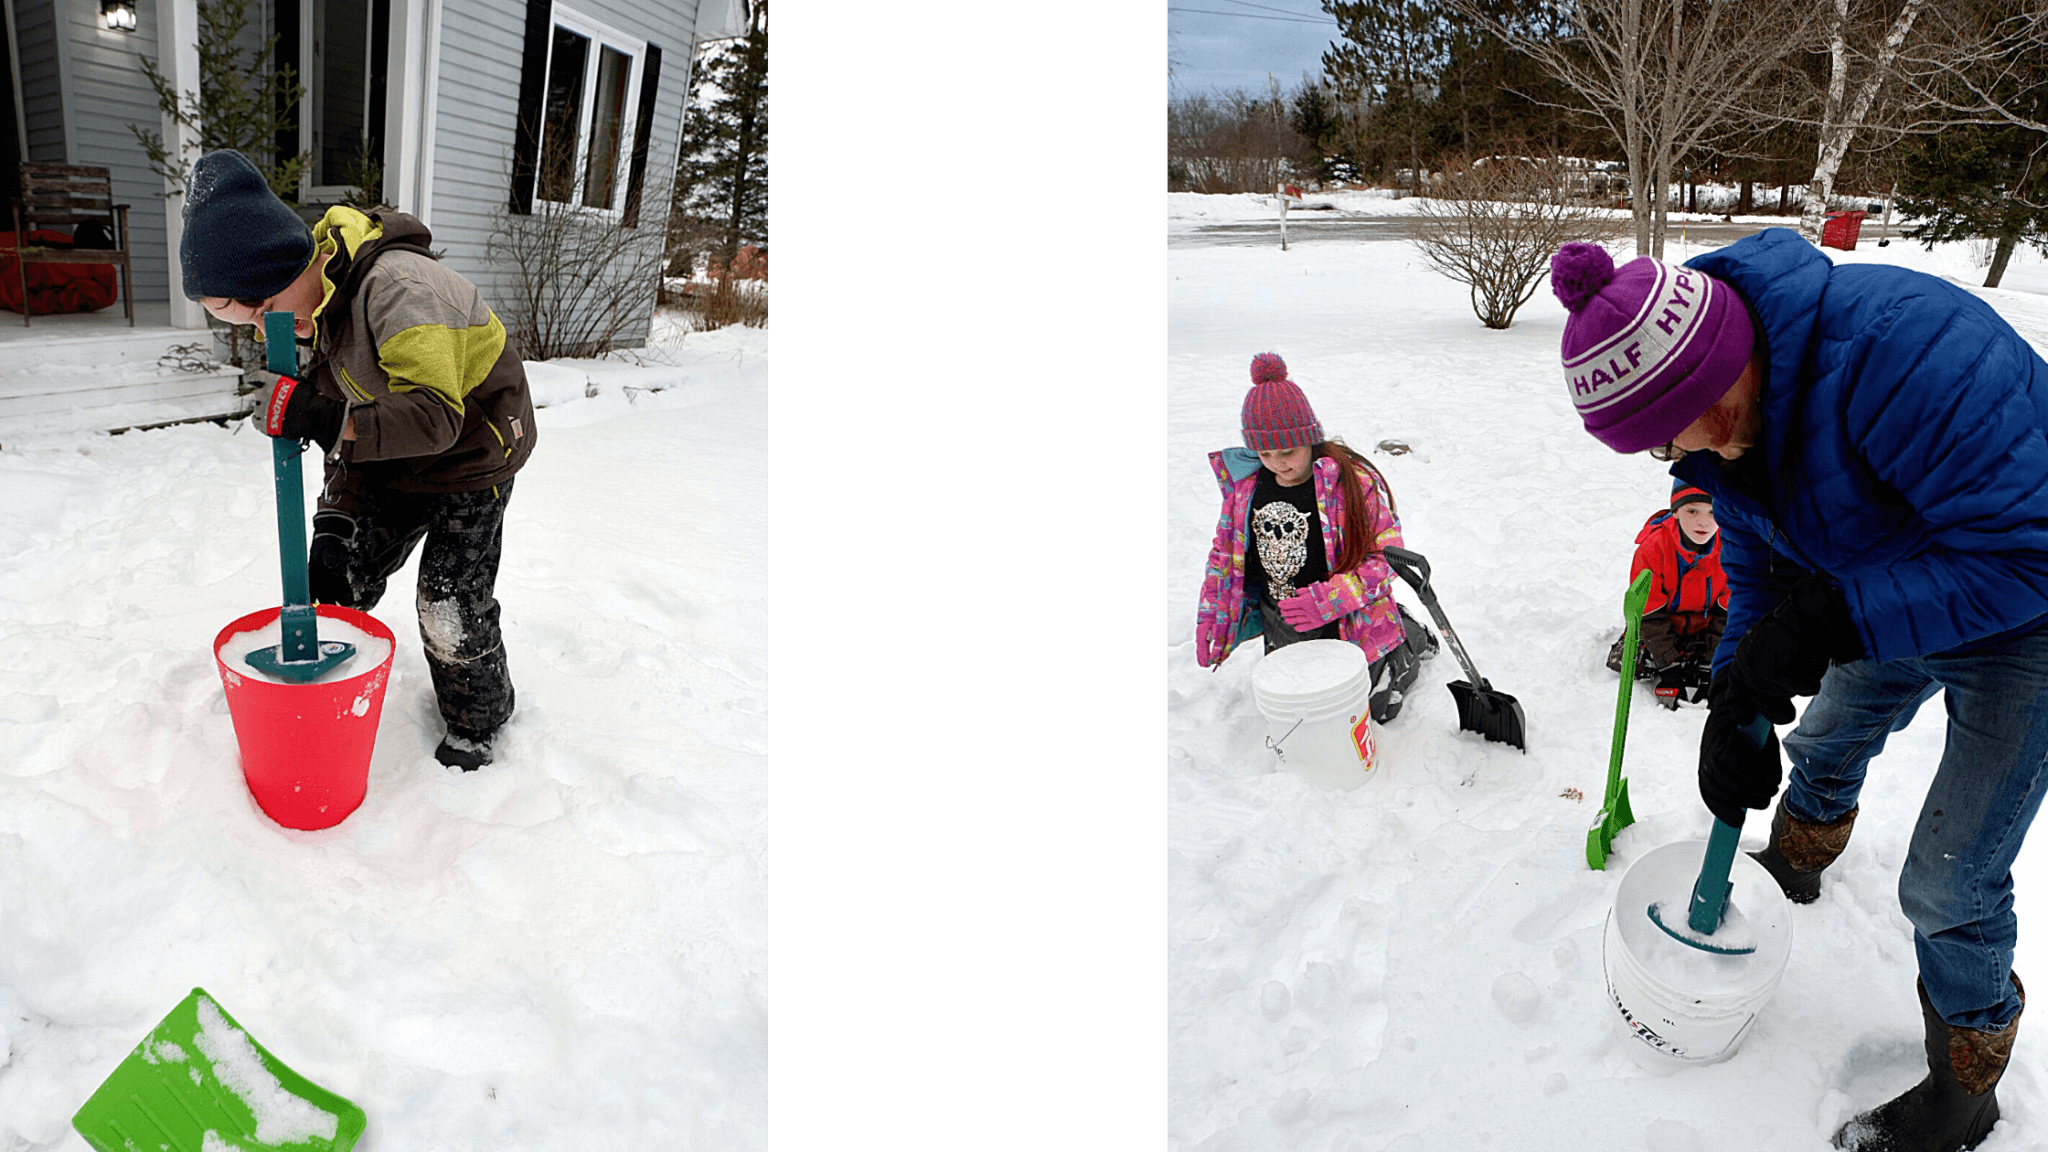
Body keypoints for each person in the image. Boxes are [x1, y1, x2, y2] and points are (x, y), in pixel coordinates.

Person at [1550, 230, 2047, 1152]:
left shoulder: (1904, 354)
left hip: (2028, 615)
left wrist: (1833, 621)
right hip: (1897, 582)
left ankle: (1964, 1090)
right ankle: (1797, 862)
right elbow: (1754, 562)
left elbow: (2029, 556)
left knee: (1951, 881)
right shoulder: (1726, 440)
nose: (1677, 454)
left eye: (1673, 430)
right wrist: (1737, 689)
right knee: (1822, 743)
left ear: (1713, 380)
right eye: (1658, 446)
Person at [181, 149, 536, 771]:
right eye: (248, 324)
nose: (264, 332)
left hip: (471, 454)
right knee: (338, 576)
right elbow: (344, 429)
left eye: (262, 312)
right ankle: (329, 688)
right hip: (391, 451)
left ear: (287, 268)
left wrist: (320, 417)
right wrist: (334, 520)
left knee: (448, 601)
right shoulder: (311, 310)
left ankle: (478, 719)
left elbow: (435, 419)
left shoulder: (399, 291)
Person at [1195, 352, 1435, 723]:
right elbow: (1224, 557)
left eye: (1288, 450)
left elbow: (1386, 557)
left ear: (1308, 438)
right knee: (1306, 710)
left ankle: (1407, 639)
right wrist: (1213, 615)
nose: (1277, 463)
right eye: (1265, 452)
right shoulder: (1246, 489)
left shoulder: (1349, 484)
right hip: (1283, 617)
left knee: (1373, 710)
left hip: (1349, 615)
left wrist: (1329, 600)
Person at [1604, 480, 1728, 709]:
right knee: (1627, 661)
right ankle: (1676, 659)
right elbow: (1649, 613)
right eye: (1692, 511)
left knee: (1747, 655)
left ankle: (1700, 661)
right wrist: (1669, 668)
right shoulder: (1653, 548)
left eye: (1713, 512)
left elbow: (1729, 611)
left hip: (1707, 627)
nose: (1703, 522)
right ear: (1676, 511)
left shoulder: (1731, 547)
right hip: (1664, 627)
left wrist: (1711, 665)